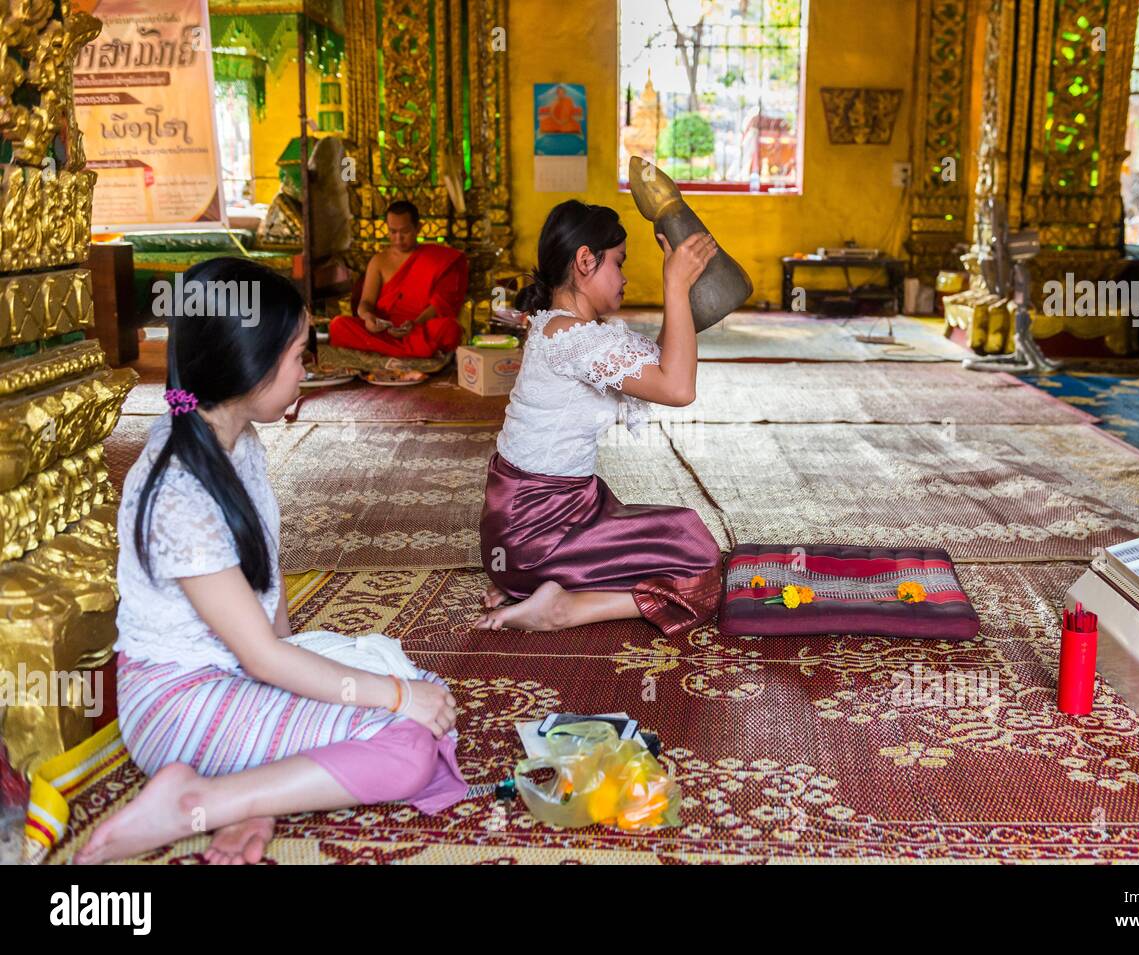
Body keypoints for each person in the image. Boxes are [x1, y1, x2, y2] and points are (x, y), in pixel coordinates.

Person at [77, 258, 463, 865]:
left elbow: (271, 603)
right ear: (250, 364)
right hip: (179, 703)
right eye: (299, 356)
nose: (307, 372)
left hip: (242, 674)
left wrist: (331, 681)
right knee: (408, 743)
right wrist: (386, 697)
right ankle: (190, 802)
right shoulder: (178, 486)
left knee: (421, 692)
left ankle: (250, 796)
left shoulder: (237, 441)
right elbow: (262, 654)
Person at [475, 199, 721, 636]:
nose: (625, 278)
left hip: (536, 523)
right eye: (619, 263)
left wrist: (678, 286)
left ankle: (527, 585)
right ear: (585, 260)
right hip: (537, 532)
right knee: (697, 553)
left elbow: (663, 365)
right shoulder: (569, 338)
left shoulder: (568, 330)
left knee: (669, 531)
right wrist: (676, 287)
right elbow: (678, 389)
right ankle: (563, 609)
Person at [327, 200, 467, 359]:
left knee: (450, 329)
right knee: (338, 325)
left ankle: (382, 353)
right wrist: (367, 318)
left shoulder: (437, 259)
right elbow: (366, 303)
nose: (398, 238)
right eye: (393, 232)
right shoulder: (379, 260)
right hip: (384, 331)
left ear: (418, 228)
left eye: (405, 232)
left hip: (418, 330)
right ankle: (413, 353)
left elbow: (439, 305)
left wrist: (414, 325)